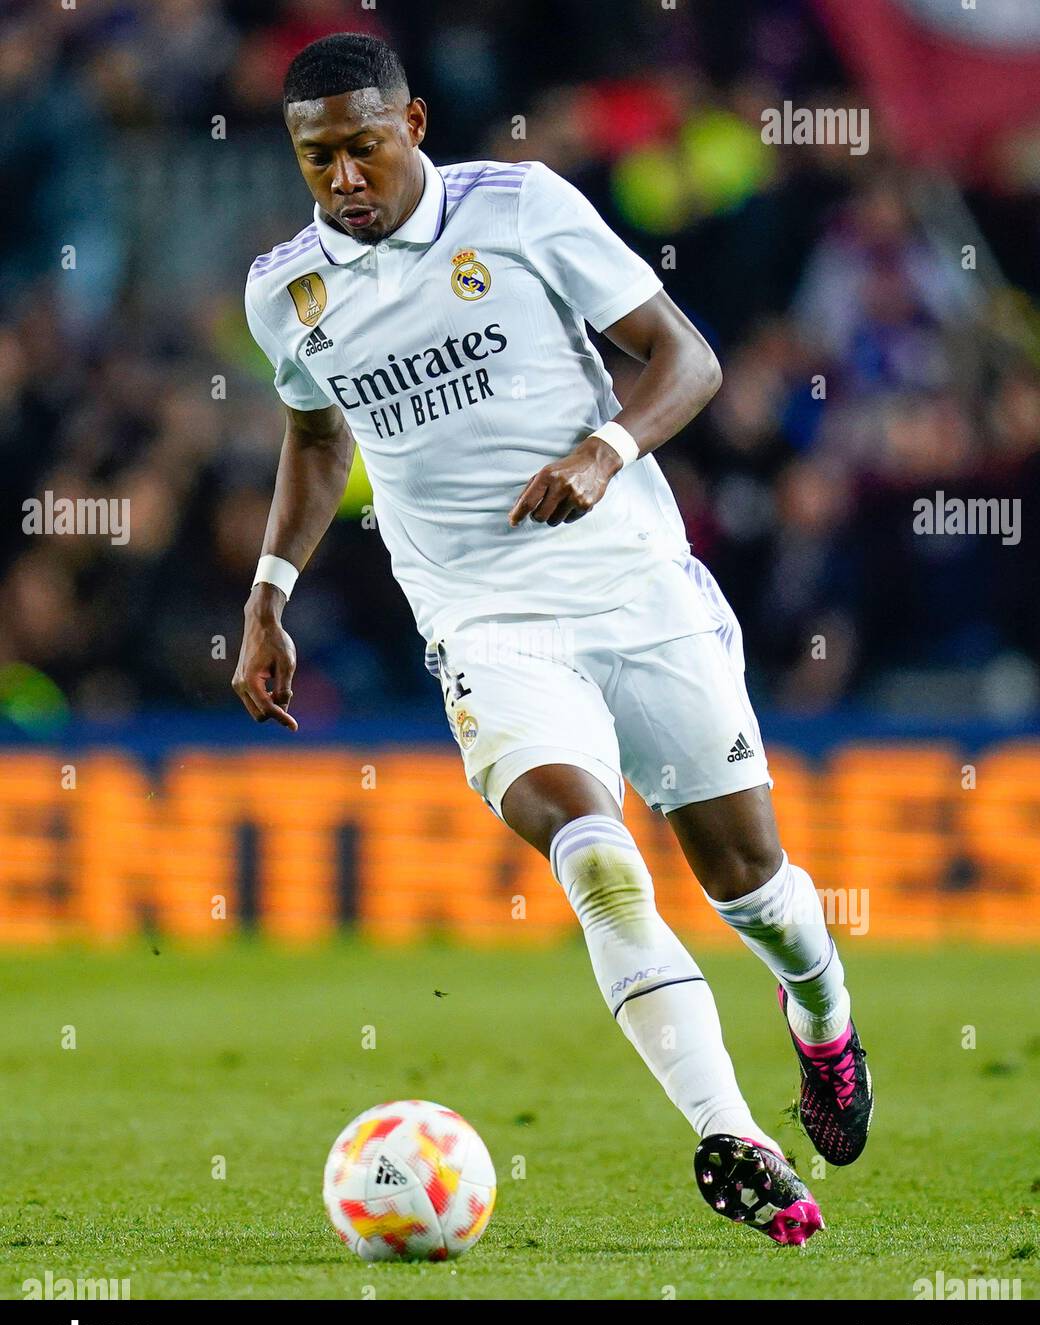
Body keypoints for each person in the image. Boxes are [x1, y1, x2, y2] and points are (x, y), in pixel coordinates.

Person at [234, 32, 872, 1247]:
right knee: (590, 849)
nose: (345, 178)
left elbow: (685, 357)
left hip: (637, 586)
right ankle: (731, 1131)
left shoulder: (520, 208)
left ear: (414, 122)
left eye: (363, 145)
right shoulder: (285, 289)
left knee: (748, 888)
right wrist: (269, 592)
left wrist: (604, 450)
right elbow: (318, 437)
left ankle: (821, 1016)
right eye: (319, 159)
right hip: (483, 619)